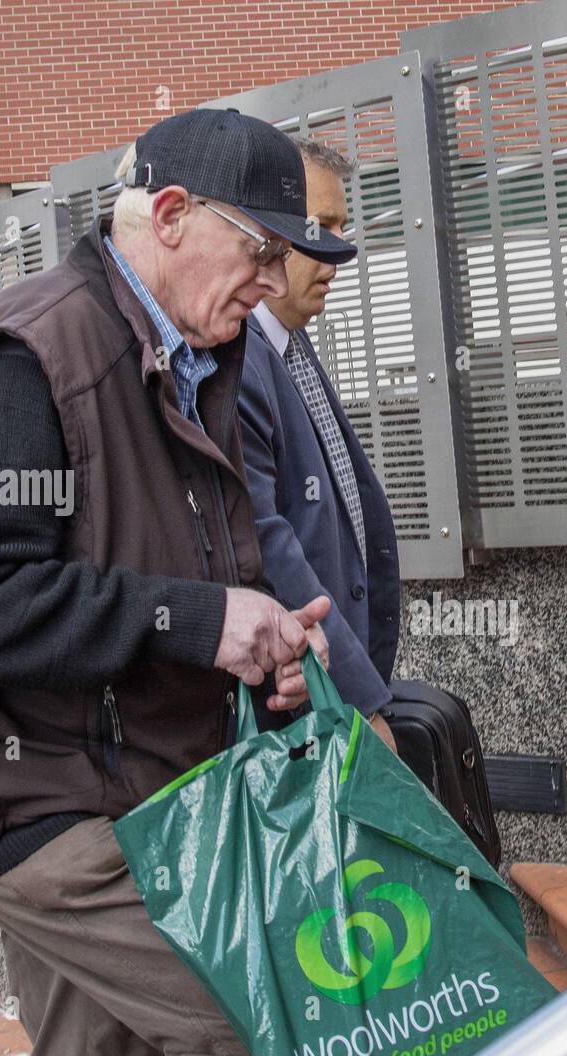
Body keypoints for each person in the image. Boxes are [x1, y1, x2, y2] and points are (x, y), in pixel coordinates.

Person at [0, 108, 358, 1056]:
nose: (277, 280)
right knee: (256, 1038)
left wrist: (267, 641)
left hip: (114, 782)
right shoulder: (34, 355)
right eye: (265, 249)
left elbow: (178, 566)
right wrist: (197, 621)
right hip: (26, 799)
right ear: (174, 216)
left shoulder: (198, 349)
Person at [238, 139, 400, 750]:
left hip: (335, 690)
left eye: (342, 229)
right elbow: (270, 545)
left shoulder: (291, 344)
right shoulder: (238, 363)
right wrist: (360, 701)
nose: (334, 257)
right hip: (304, 710)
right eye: (318, 227)